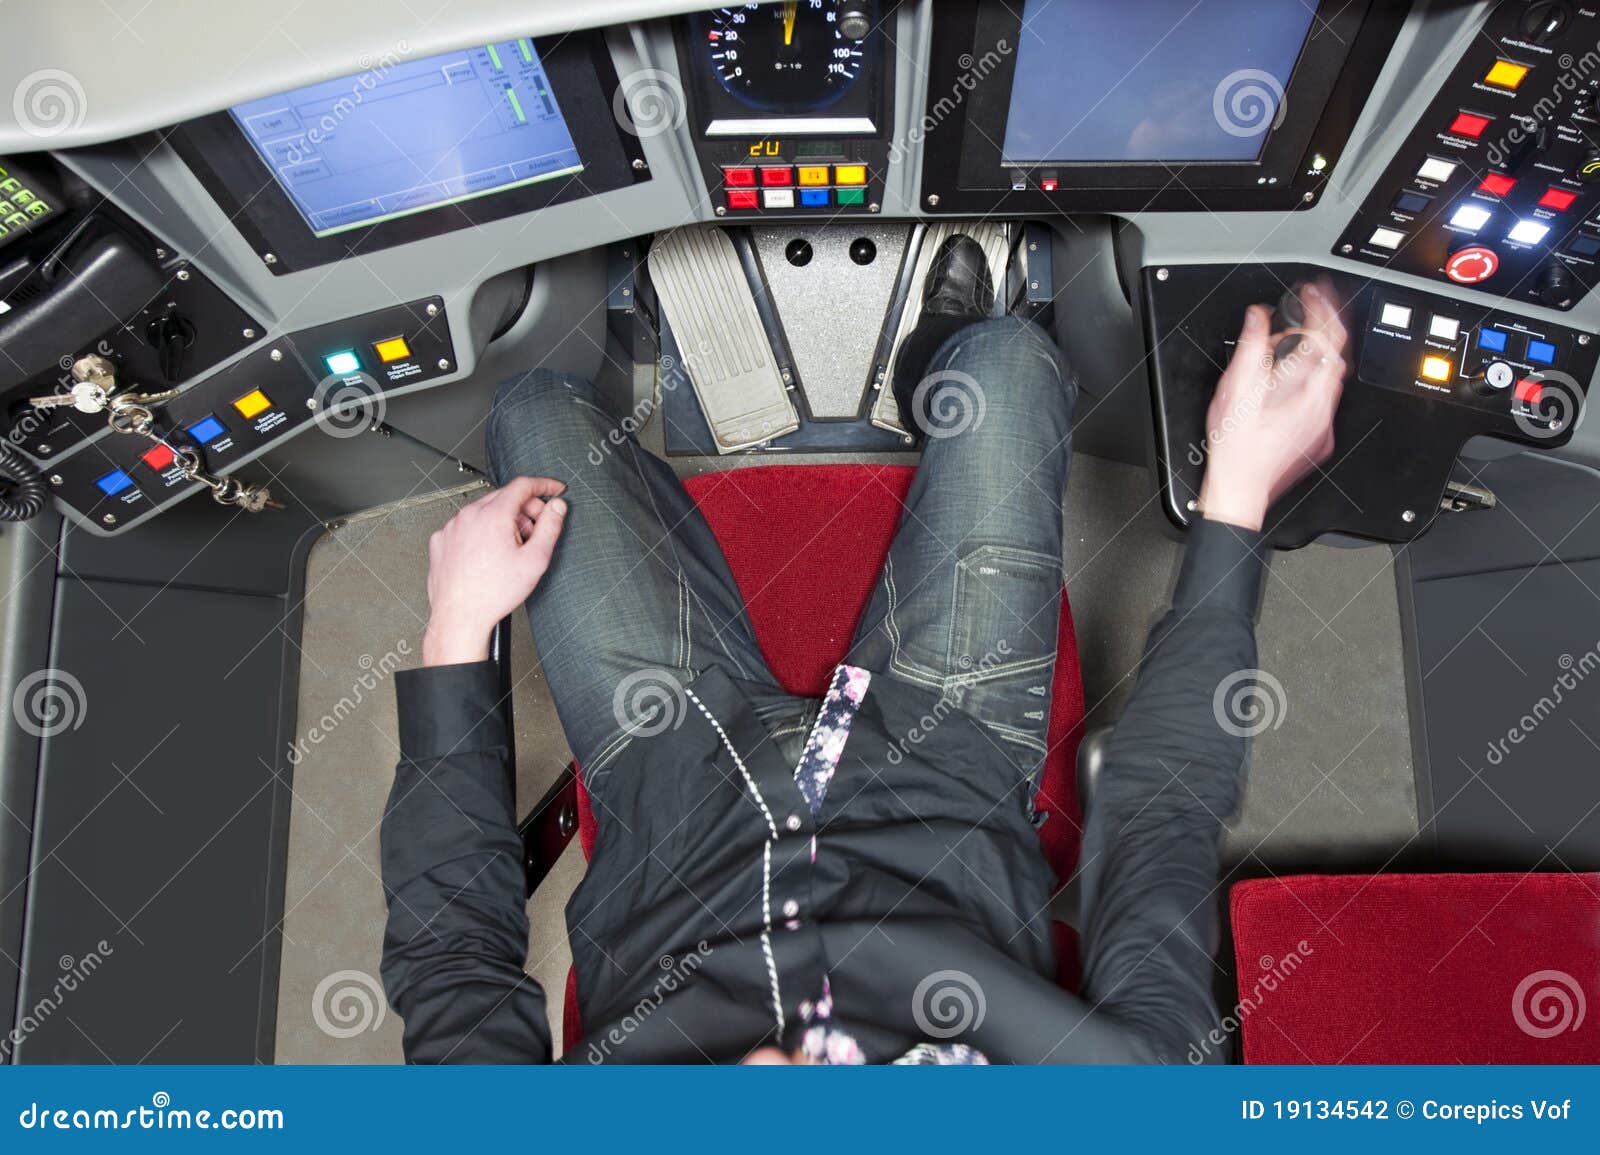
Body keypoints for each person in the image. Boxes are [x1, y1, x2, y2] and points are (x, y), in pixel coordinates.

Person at [378, 236, 1347, 1064]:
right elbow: (1160, 817)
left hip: (674, 776)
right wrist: (1238, 495)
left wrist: (456, 630)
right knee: (1006, 363)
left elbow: (451, 962)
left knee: (536, 415)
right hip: (946, 759)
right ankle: (942, 358)